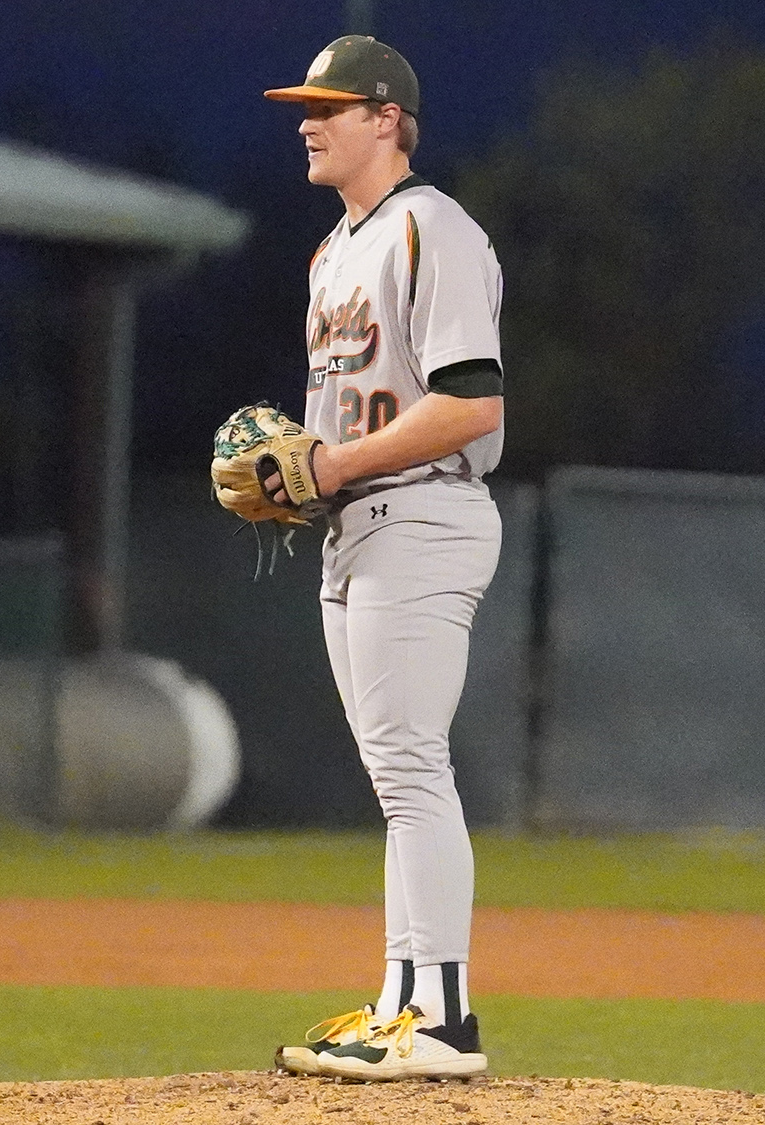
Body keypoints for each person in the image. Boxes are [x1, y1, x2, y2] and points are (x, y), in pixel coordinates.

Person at [261, 35, 506, 1081]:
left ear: (387, 119)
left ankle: (443, 1018)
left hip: (426, 513)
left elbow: (471, 402)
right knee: (394, 773)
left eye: (329, 107)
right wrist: (302, 478)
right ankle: (404, 1001)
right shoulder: (331, 254)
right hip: (357, 526)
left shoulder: (429, 227)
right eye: (304, 108)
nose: (308, 124)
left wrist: (335, 463)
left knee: (411, 765)